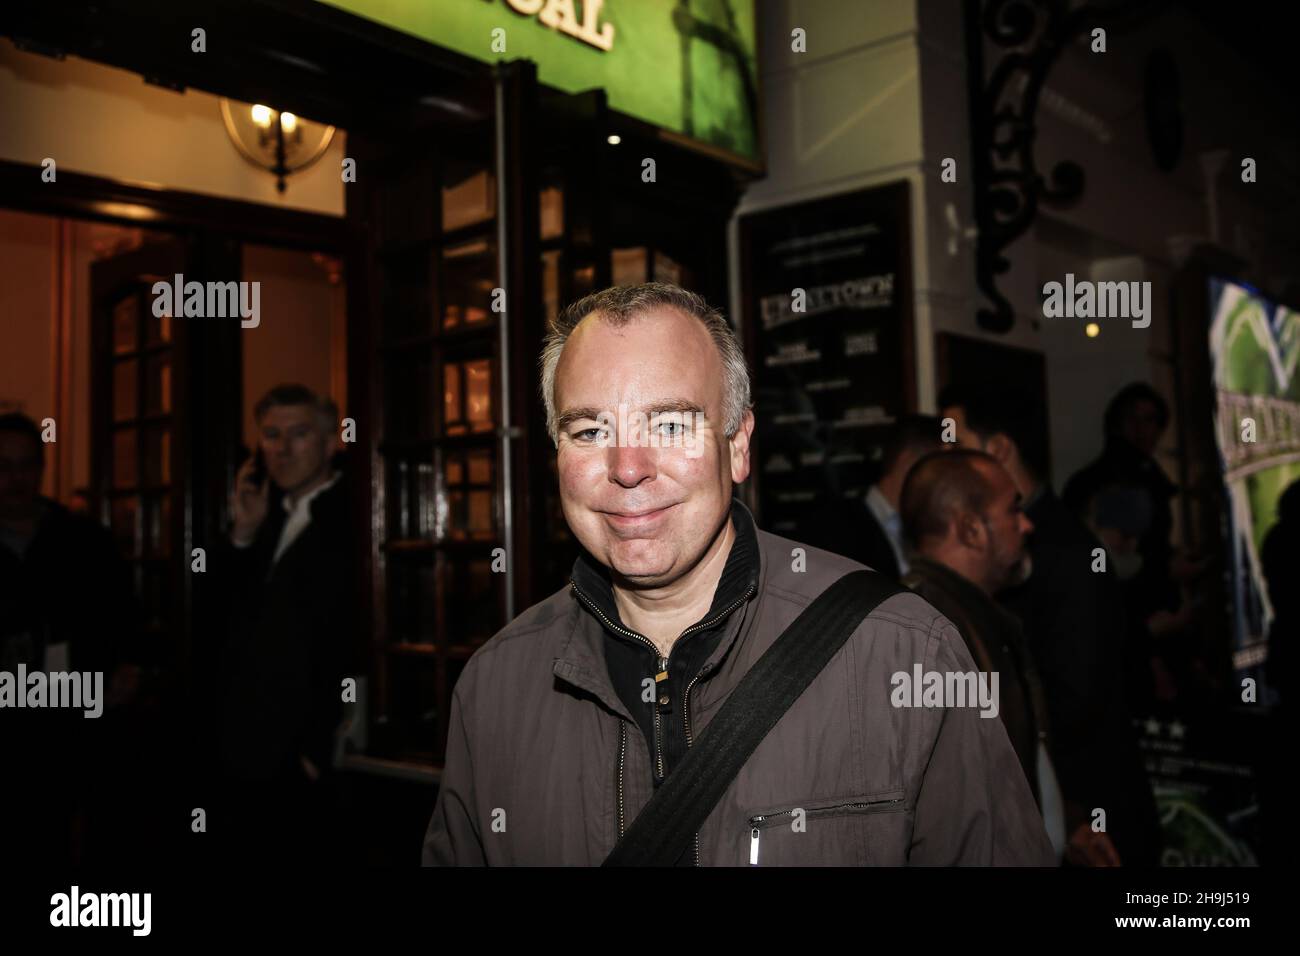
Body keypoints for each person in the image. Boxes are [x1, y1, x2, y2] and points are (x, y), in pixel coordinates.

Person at [422, 283, 1053, 866]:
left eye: (670, 424)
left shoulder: (903, 651)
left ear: (739, 444)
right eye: (589, 430)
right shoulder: (495, 688)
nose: (628, 467)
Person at [940, 387, 1161, 866]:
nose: (944, 463)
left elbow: (1075, 701)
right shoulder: (1011, 548)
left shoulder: (1059, 550)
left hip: (1095, 818)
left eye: (955, 445)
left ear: (998, 450)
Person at [896, 449, 1067, 859]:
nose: (1026, 525)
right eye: (1013, 510)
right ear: (972, 530)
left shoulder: (977, 615)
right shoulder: (928, 628)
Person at [217, 384, 355, 860]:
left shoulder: (354, 515)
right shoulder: (268, 513)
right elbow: (229, 624)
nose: (282, 448)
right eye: (271, 435)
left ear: (329, 439)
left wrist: (316, 749)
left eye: (298, 434)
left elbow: (347, 638)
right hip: (246, 746)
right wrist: (244, 533)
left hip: (306, 753)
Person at [0, 412, 140, 865]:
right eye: (3, 466)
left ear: (41, 468)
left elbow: (126, 614)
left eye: (25, 465)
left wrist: (129, 664)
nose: (15, 478)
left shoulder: (82, 540)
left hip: (71, 722)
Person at [802, 414, 942, 577]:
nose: (946, 484)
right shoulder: (831, 527)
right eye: (940, 472)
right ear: (908, 464)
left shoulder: (932, 531)